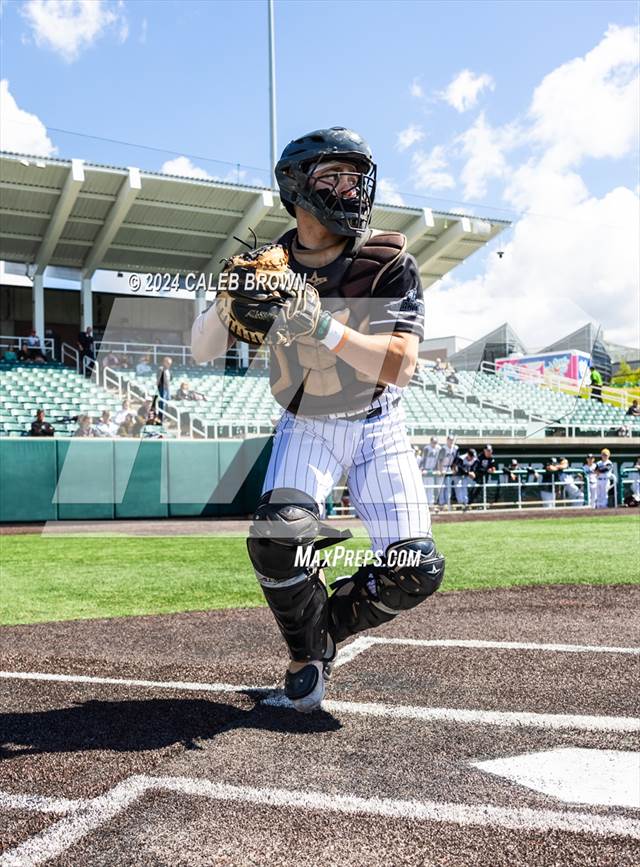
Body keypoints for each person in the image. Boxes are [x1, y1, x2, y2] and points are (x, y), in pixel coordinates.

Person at [191, 126, 444, 713]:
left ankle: (322, 630)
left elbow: (400, 366)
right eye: (333, 176)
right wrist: (227, 299)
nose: (350, 188)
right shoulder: (264, 267)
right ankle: (306, 655)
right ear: (297, 186)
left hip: (379, 424)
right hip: (308, 423)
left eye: (356, 176)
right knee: (279, 537)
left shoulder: (387, 262)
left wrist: (320, 323)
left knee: (416, 568)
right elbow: (204, 349)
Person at [437, 435, 458, 510]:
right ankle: (441, 503)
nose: (451, 441)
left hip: (449, 468)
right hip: (443, 467)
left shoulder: (455, 448)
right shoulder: (443, 448)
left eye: (452, 440)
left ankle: (447, 503)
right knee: (442, 487)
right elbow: (439, 460)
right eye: (449, 440)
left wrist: (454, 468)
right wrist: (440, 470)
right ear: (447, 440)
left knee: (448, 487)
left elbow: (455, 460)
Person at [419, 436, 440, 508]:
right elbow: (423, 459)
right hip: (425, 469)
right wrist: (421, 469)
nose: (434, 444)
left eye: (436, 442)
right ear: (430, 442)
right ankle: (424, 504)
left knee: (431, 488)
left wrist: (437, 469)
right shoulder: (427, 448)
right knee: (424, 488)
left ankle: (430, 504)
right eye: (433, 442)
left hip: (432, 470)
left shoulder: (438, 448)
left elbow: (438, 460)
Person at [156, 357, 172, 422]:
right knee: (162, 403)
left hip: (167, 388)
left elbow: (170, 378)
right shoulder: (161, 369)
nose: (169, 365)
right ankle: (161, 416)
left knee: (167, 403)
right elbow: (159, 378)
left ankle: (166, 416)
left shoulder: (169, 370)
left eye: (170, 363)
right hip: (162, 388)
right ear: (164, 362)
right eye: (168, 363)